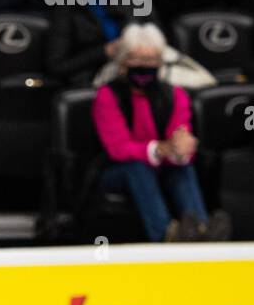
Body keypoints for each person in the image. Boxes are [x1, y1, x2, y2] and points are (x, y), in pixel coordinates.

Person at [91, 23, 232, 242]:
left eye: (151, 61)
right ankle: (167, 235)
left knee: (182, 166)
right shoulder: (108, 96)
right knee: (137, 168)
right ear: (122, 62)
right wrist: (160, 149)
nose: (144, 66)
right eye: (136, 60)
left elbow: (180, 134)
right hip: (116, 172)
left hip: (162, 166)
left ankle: (200, 228)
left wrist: (180, 149)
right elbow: (118, 149)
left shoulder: (175, 95)